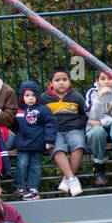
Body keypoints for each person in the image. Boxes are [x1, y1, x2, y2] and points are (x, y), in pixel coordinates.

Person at [41, 68, 88, 196]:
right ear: (50, 83)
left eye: (64, 80)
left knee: (78, 143)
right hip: (55, 132)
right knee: (57, 148)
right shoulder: (44, 98)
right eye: (57, 80)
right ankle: (72, 179)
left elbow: (85, 114)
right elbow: (41, 116)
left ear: (69, 81)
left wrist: (77, 124)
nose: (61, 83)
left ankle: (67, 178)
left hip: (74, 130)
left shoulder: (76, 96)